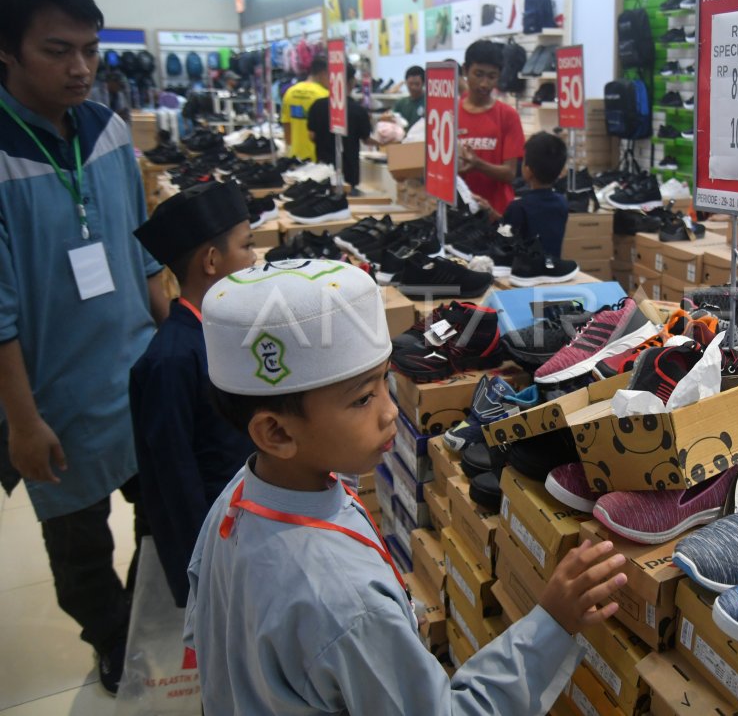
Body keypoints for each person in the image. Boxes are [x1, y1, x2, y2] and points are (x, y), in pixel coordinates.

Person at [185, 258, 627, 714]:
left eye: (383, 382)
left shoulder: (237, 498)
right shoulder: (348, 602)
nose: (391, 410)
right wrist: (551, 624)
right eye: (362, 398)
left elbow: (205, 631)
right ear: (276, 433)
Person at [0, 0, 170, 694]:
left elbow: (143, 254)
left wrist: (178, 343)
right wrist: (22, 421)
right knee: (77, 547)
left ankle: (146, 618)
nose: (81, 69)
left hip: (135, 372)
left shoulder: (107, 132)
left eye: (90, 50)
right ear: (5, 50)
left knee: (165, 512)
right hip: (54, 399)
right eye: (57, 50)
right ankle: (109, 633)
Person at [129, 183, 259, 609]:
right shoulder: (169, 360)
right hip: (218, 540)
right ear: (211, 260)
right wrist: (203, 573)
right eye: (247, 245)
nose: (255, 258)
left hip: (250, 519)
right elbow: (173, 481)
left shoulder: (225, 329)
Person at [459, 39, 525, 214]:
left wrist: (477, 164)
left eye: (491, 76)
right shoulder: (450, 115)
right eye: (478, 74)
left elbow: (510, 173)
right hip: (459, 213)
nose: (484, 84)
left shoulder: (508, 116)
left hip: (498, 212)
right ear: (465, 70)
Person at [497, 131, 569, 257]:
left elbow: (503, 238)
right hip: (552, 269)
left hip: (525, 271)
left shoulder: (518, 207)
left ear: (528, 170)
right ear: (560, 172)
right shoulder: (562, 202)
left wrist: (489, 215)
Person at [307, 64, 374, 190]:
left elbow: (311, 135)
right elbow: (367, 139)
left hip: (323, 169)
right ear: (351, 81)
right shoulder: (358, 110)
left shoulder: (317, 106)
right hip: (349, 171)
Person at [281, 55, 329, 162]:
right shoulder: (324, 95)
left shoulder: (290, 92)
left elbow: (286, 125)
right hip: (317, 157)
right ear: (323, 73)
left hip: (295, 155)